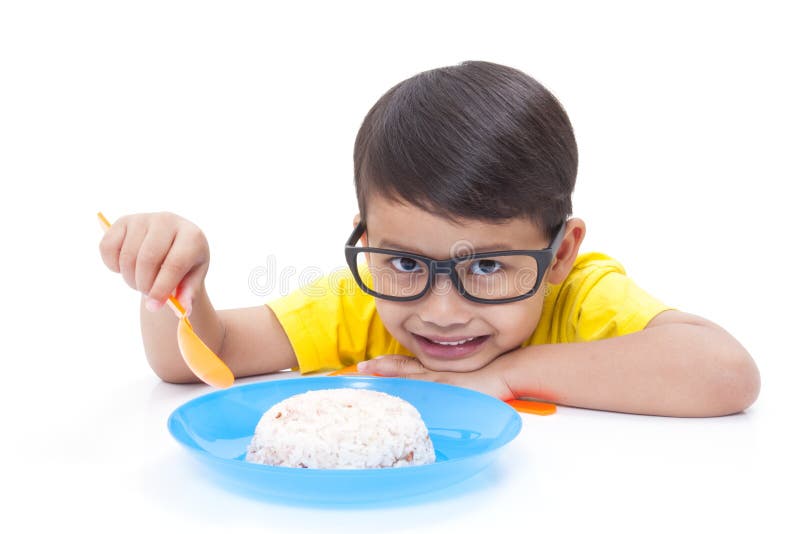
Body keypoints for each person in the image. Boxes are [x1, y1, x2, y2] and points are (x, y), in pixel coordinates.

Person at [98, 61, 759, 417]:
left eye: (491, 266)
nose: (441, 311)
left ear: (559, 253)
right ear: (366, 237)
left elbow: (726, 374)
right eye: (408, 260)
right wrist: (176, 286)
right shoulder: (366, 301)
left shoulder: (577, 299)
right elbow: (193, 361)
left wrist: (505, 377)